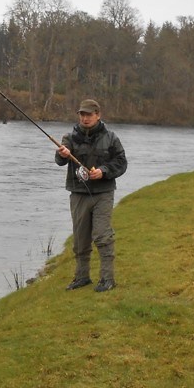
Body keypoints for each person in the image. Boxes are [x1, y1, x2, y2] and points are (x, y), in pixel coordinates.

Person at [54, 99, 127, 292]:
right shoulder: (69, 138)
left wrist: (103, 171)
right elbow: (59, 161)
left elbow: (121, 163)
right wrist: (62, 154)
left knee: (102, 236)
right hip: (78, 194)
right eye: (82, 115)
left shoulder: (111, 138)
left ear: (98, 115)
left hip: (103, 193)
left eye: (89, 114)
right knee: (80, 238)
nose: (85, 118)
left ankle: (107, 279)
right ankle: (82, 277)